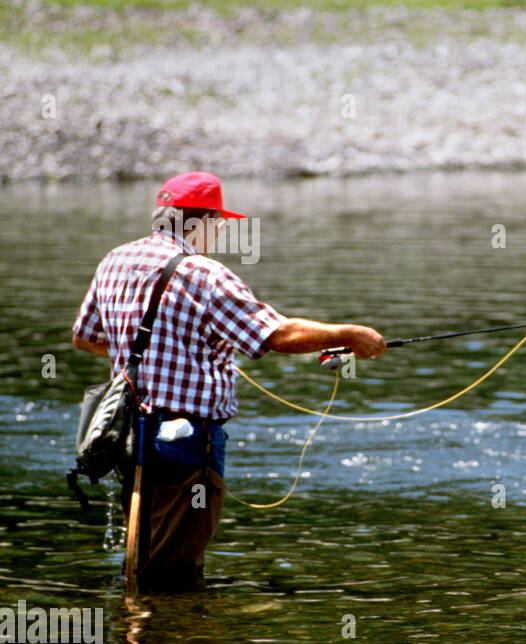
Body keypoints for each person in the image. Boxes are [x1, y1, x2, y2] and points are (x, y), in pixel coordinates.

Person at [72, 171, 386, 594]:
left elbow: (86, 337)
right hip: (184, 445)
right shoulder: (205, 275)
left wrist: (157, 357)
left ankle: (138, 642)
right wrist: (351, 335)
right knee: (175, 570)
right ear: (200, 221)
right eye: (218, 223)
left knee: (143, 556)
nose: (218, 233)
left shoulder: (115, 259)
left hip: (126, 437)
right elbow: (277, 335)